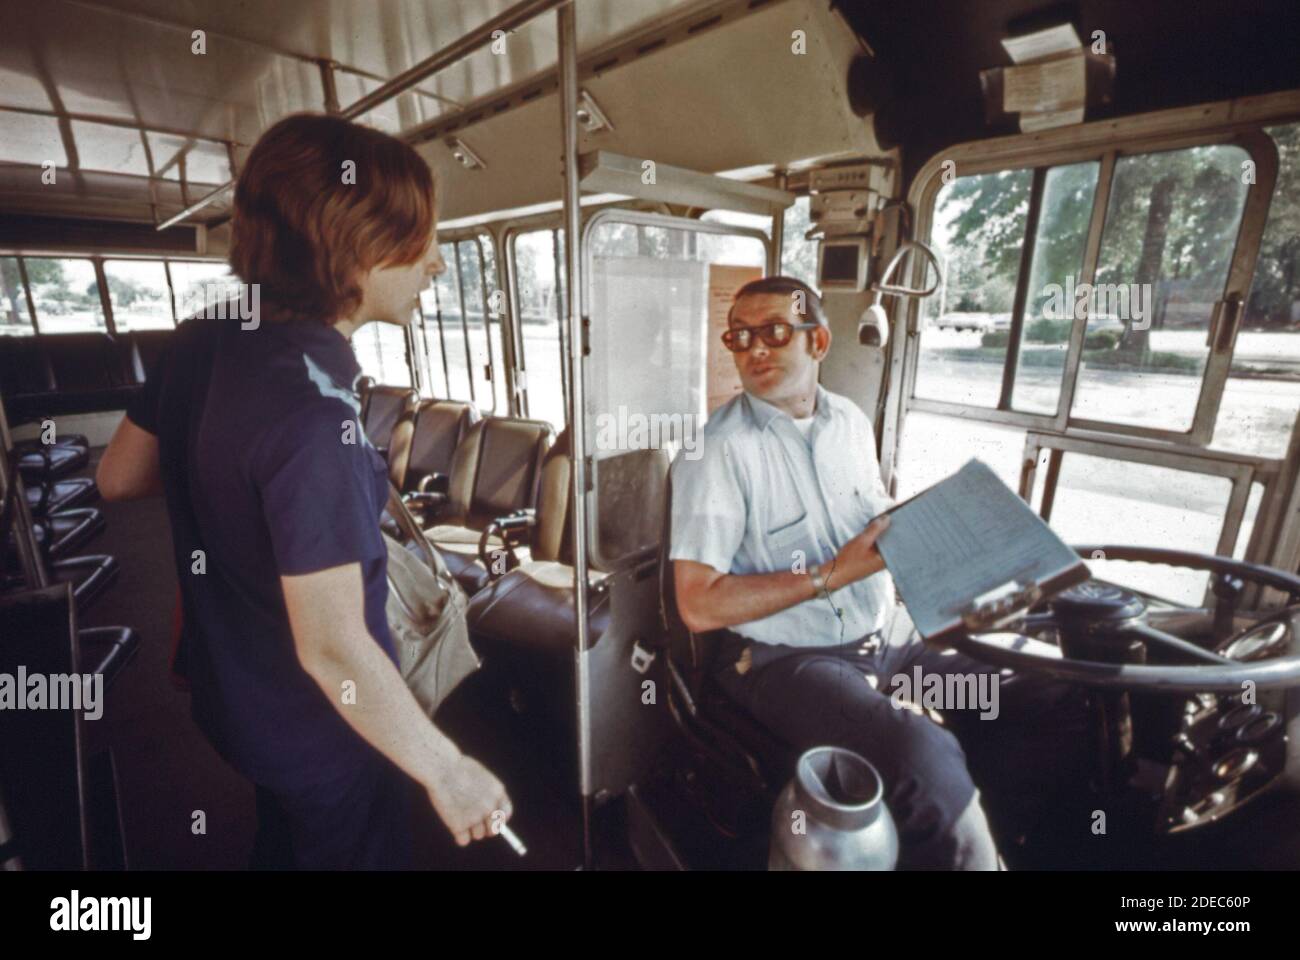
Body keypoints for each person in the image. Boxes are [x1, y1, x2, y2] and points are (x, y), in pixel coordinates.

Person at [96, 113, 511, 869]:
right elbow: (332, 648)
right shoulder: (314, 417)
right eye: (425, 240)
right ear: (355, 248)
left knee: (286, 843)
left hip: (231, 696)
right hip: (325, 729)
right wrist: (448, 770)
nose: (439, 265)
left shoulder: (204, 334)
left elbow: (117, 476)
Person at [669, 276, 1089, 870]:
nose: (754, 350)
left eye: (774, 332)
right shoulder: (715, 453)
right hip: (786, 658)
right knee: (923, 753)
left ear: (818, 341)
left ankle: (994, 837)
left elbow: (878, 524)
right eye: (739, 337)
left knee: (1048, 682)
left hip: (888, 634)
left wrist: (973, 572)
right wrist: (829, 575)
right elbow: (698, 604)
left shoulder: (847, 422)